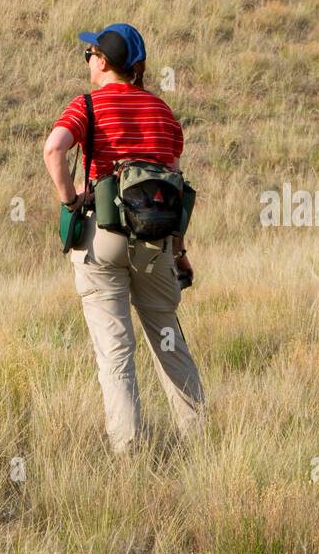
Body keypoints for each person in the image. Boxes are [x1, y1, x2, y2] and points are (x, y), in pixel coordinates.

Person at [43, 24, 205, 453]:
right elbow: (171, 184)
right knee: (168, 340)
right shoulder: (162, 112)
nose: (88, 62)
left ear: (102, 61)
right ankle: (200, 442)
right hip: (156, 243)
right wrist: (179, 250)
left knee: (116, 353)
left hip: (104, 236)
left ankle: (129, 452)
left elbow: (53, 149)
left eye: (90, 54)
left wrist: (71, 198)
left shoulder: (88, 107)